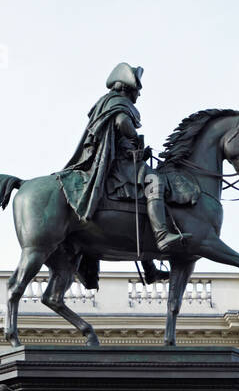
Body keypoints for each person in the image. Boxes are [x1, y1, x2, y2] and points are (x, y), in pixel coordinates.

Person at [58, 62, 186, 270]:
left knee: (140, 204)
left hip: (120, 158)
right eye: (138, 90)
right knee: (155, 181)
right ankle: (162, 235)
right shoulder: (119, 103)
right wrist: (134, 138)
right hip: (119, 164)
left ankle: (150, 268)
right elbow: (122, 123)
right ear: (128, 89)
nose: (139, 95)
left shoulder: (106, 102)